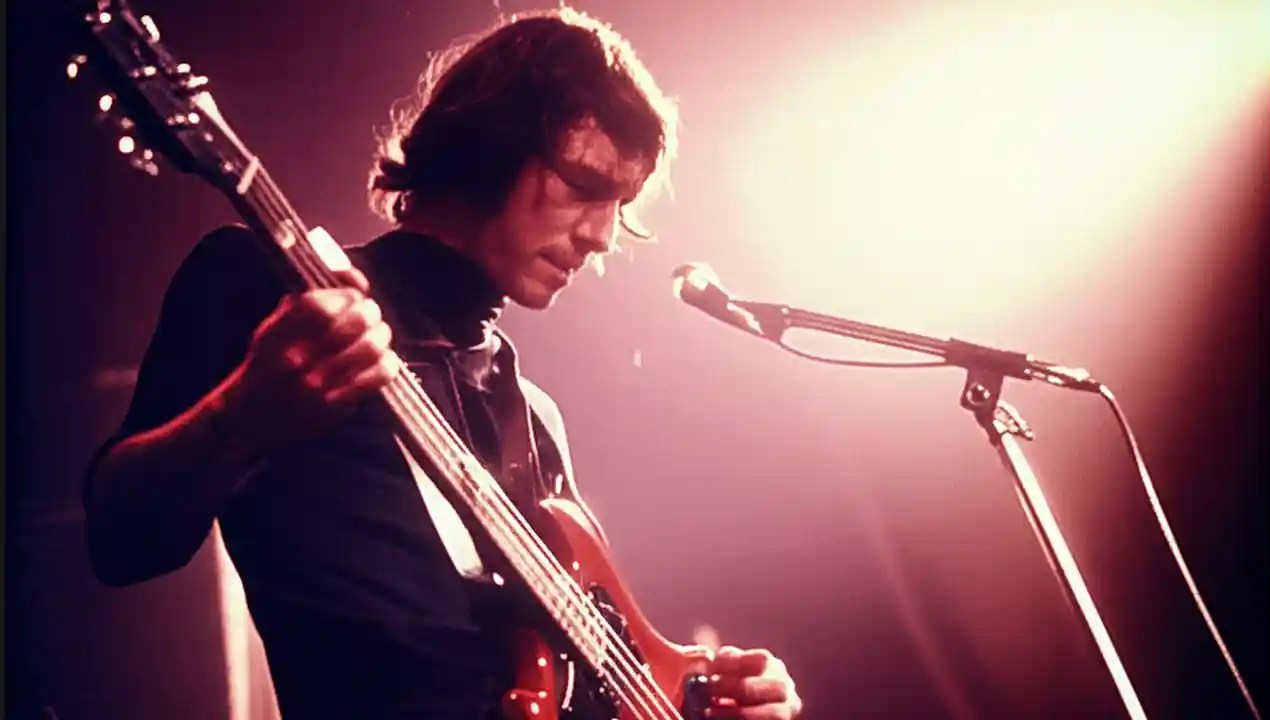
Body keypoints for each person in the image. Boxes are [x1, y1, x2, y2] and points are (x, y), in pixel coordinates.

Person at [84, 8, 803, 719]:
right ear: (490, 148)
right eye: (585, 186)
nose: (604, 237)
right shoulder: (270, 287)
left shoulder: (534, 418)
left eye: (620, 204)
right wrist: (243, 415)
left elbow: (597, 676)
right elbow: (118, 543)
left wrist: (698, 696)